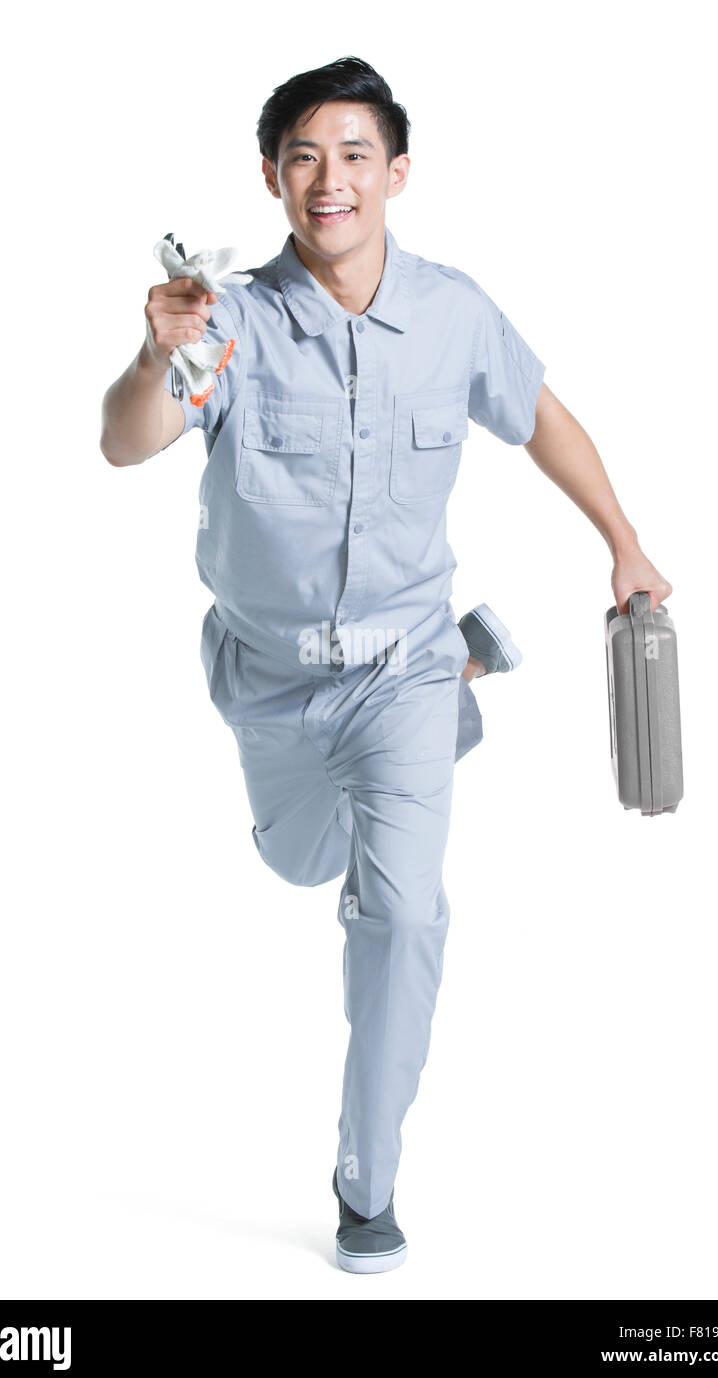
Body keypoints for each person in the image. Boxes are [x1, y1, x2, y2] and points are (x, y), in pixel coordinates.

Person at [100, 55, 672, 1275]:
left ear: (394, 171)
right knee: (301, 861)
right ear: (271, 176)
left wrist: (623, 542)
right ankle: (470, 681)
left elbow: (543, 417)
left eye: (354, 154)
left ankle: (368, 1180)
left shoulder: (454, 312)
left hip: (398, 669)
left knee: (400, 914)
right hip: (269, 679)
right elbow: (124, 441)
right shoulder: (228, 321)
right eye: (303, 155)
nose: (330, 179)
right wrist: (158, 355)